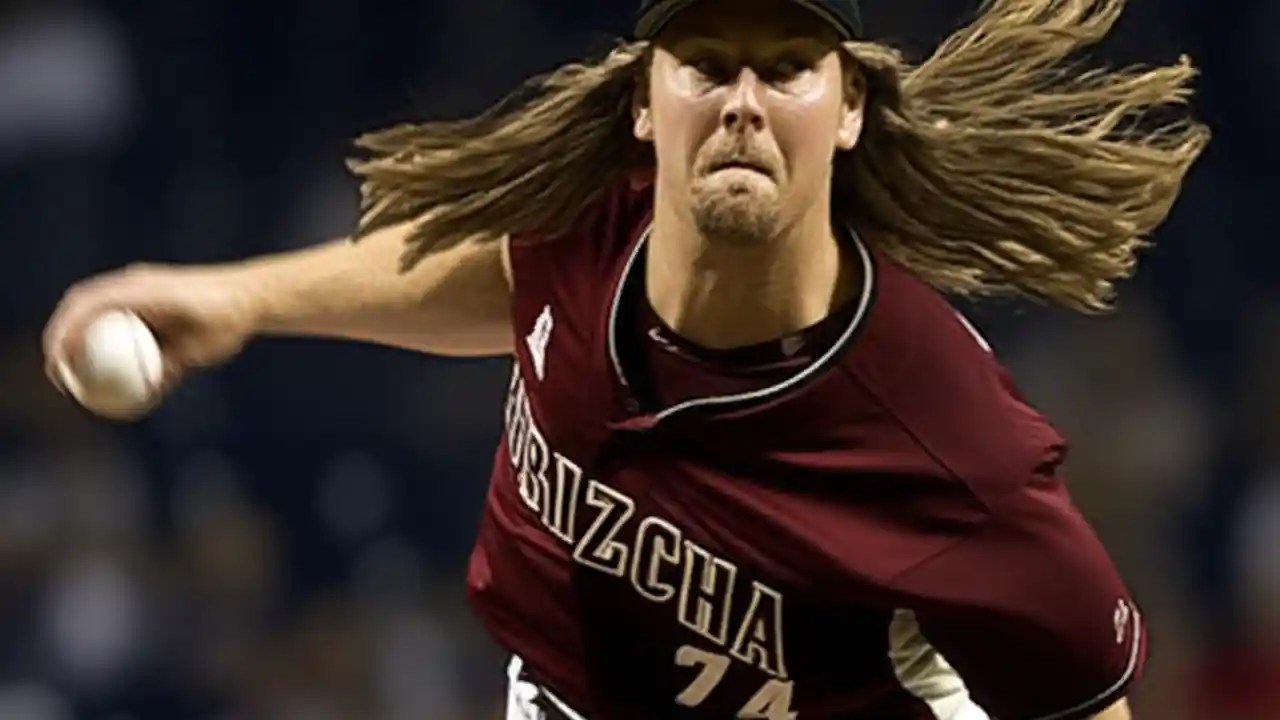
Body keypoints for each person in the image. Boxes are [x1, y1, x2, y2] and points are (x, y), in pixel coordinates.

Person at [43, 0, 1209, 717]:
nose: (742, 101)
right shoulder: (591, 221)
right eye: (705, 61)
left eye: (786, 65)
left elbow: (1076, 699)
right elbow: (501, 270)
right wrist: (236, 299)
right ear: (645, 105)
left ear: (847, 107)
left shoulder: (945, 441)